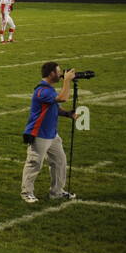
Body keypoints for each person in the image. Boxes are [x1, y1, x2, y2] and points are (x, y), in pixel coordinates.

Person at [21, 62, 76, 204]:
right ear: (51, 73)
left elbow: (54, 108)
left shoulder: (49, 90)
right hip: (39, 133)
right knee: (34, 163)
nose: (61, 74)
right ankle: (27, 192)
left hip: (52, 134)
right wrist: (67, 81)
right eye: (58, 71)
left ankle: (57, 192)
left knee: (59, 161)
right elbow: (63, 98)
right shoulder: (42, 90)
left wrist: (67, 114)